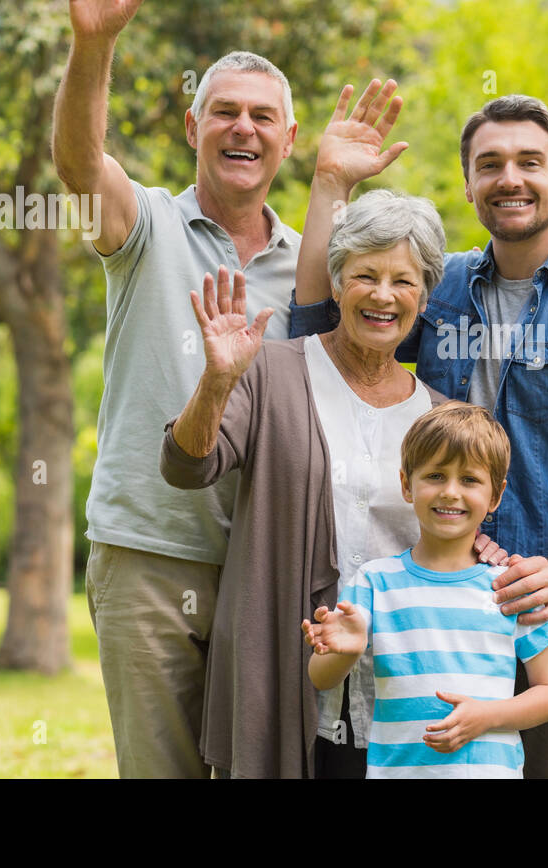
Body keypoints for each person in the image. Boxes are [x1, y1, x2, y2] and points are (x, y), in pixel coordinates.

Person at [292, 94, 548, 778]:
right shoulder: (440, 287)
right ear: (468, 184)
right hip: (436, 616)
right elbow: (317, 330)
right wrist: (332, 189)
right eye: (490, 164)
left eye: (529, 162)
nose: (509, 178)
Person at [53, 0, 308, 777]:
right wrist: (95, 47)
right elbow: (81, 164)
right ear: (195, 124)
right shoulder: (145, 225)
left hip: (261, 564)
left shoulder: (308, 263)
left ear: (288, 139)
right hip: (150, 555)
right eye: (225, 112)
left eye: (262, 117)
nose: (243, 128)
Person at [161, 188, 508, 778]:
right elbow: (186, 467)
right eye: (364, 274)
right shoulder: (273, 371)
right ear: (338, 280)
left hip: (402, 701)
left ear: (423, 297)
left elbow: (454, 519)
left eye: (403, 281)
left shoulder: (437, 417)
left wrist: (484, 546)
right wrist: (218, 381)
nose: (382, 295)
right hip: (289, 674)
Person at [302, 402, 548, 778]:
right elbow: (320, 677)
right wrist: (347, 652)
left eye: (470, 480)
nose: (450, 492)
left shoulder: (509, 586)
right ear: (407, 485)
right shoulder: (374, 583)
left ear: (496, 495)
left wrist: (487, 716)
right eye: (436, 476)